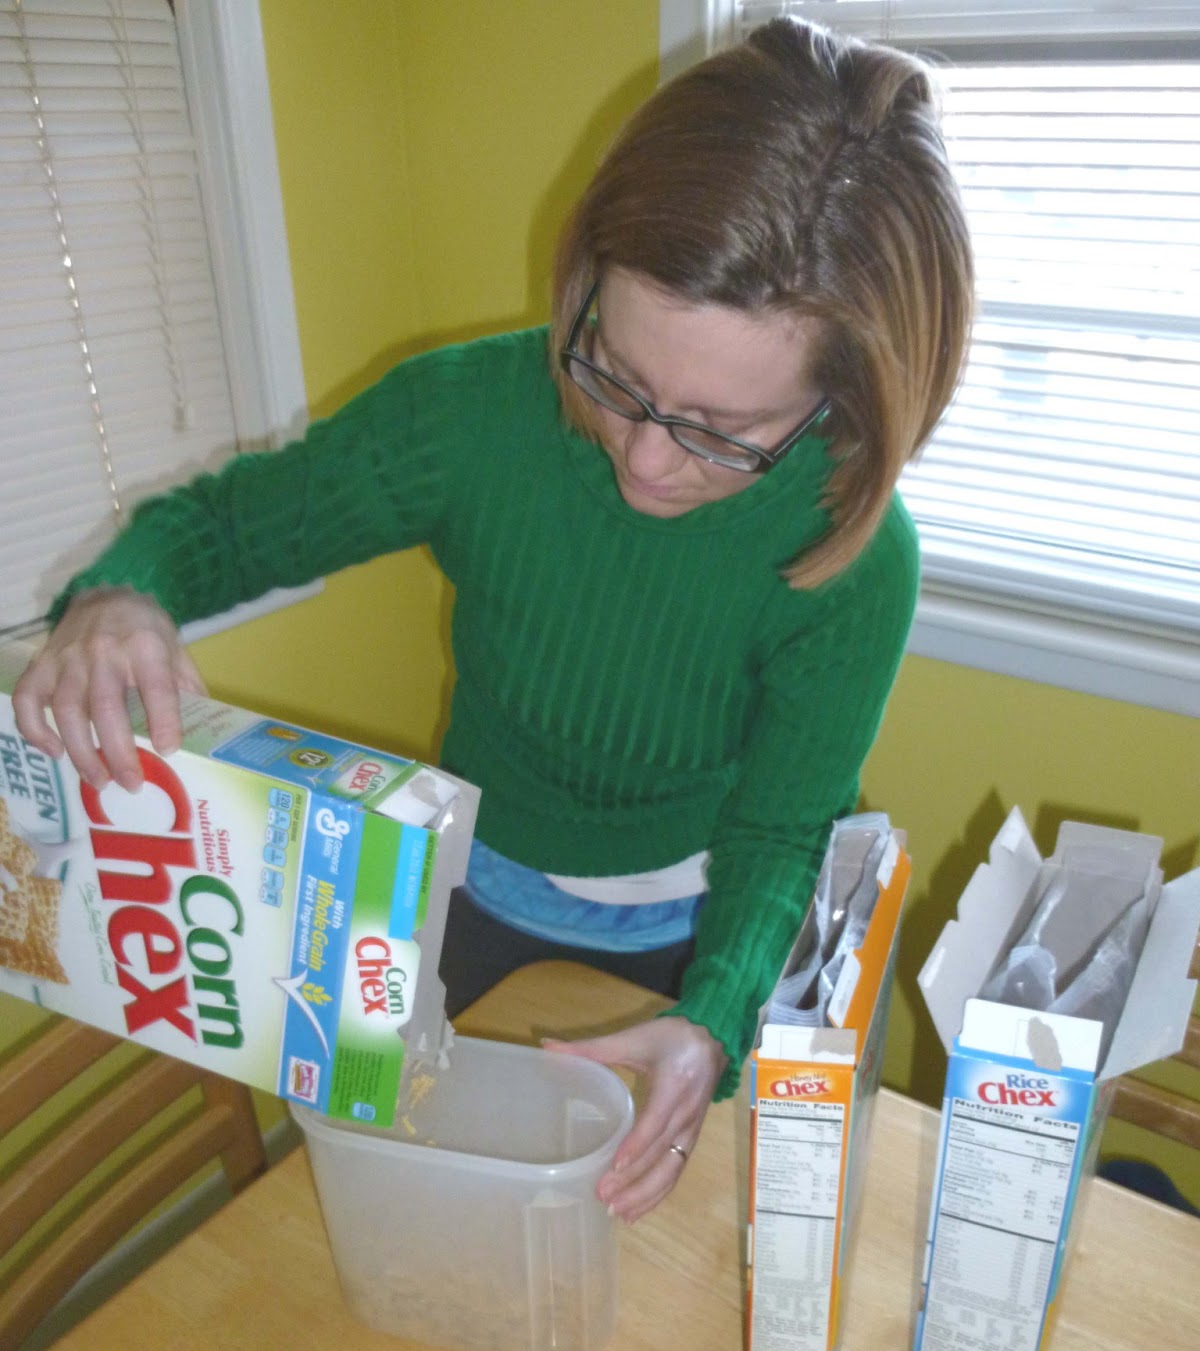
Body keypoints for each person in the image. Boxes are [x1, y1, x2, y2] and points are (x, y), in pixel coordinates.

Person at [13, 19, 972, 1222]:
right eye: (614, 374)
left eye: (724, 431)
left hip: (714, 927)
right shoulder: (473, 416)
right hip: (473, 896)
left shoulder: (858, 557)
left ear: (851, 401)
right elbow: (240, 523)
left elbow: (782, 836)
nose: (640, 462)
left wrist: (713, 1027)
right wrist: (116, 595)